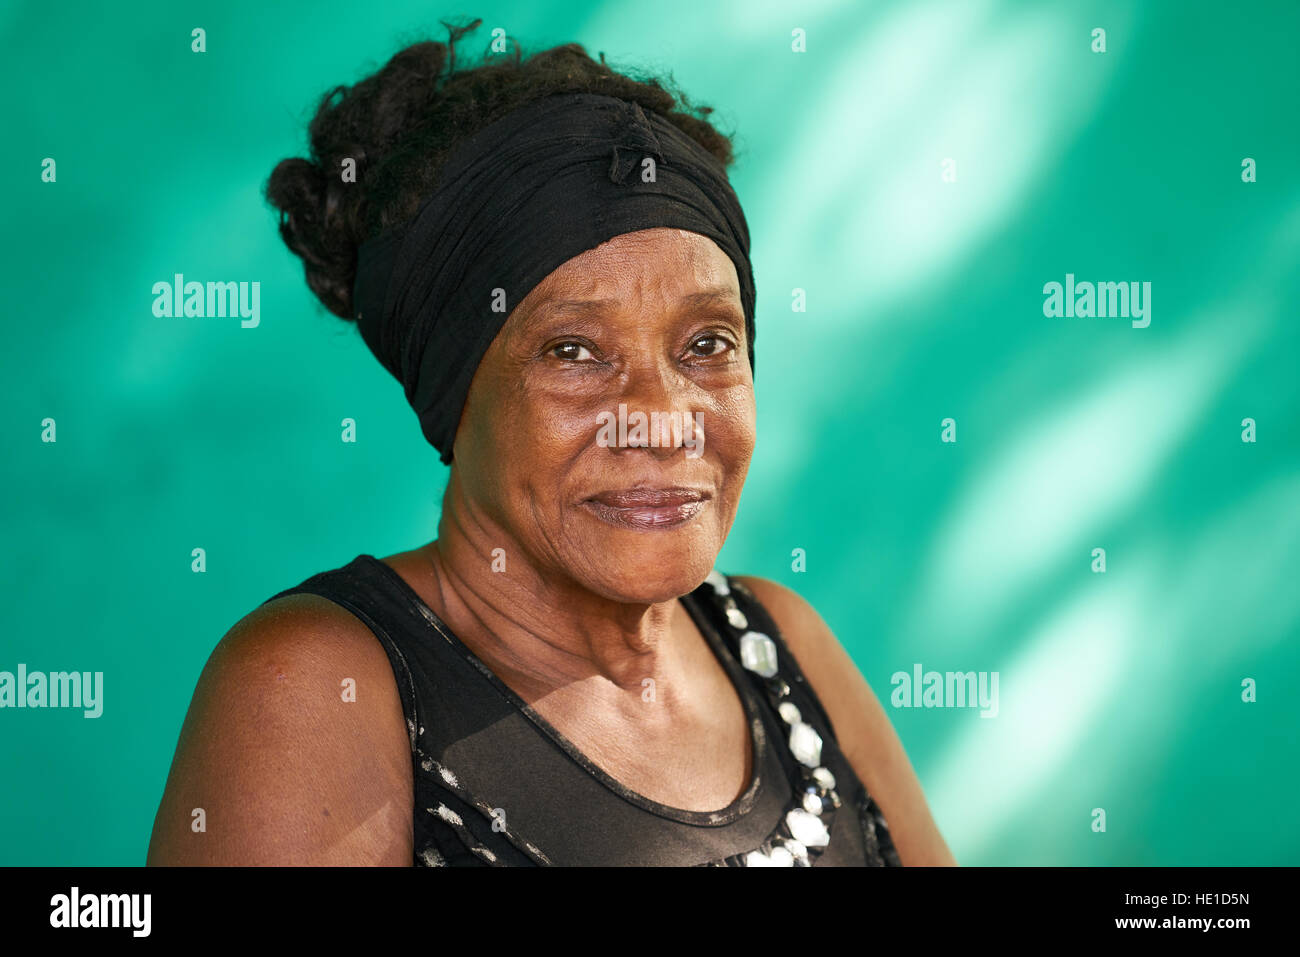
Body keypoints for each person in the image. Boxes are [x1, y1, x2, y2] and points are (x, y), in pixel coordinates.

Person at [146, 18, 956, 867]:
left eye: (707, 346)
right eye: (574, 352)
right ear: (455, 399)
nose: (662, 417)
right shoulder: (317, 688)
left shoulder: (776, 646)